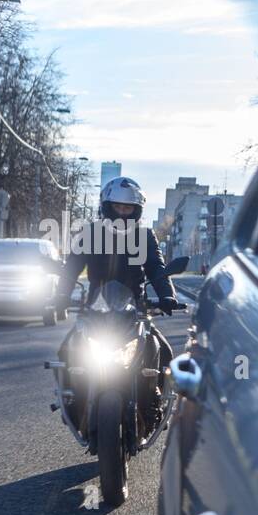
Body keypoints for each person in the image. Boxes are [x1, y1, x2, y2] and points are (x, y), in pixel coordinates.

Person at [55, 176, 185, 423]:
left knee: (163, 350)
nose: (123, 213)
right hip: (96, 308)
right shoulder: (90, 233)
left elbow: (157, 268)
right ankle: (71, 400)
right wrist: (61, 294)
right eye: (118, 207)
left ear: (136, 211)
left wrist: (168, 295)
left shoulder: (144, 237)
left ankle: (154, 401)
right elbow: (71, 267)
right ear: (107, 206)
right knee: (66, 350)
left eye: (128, 208)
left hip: (134, 308)